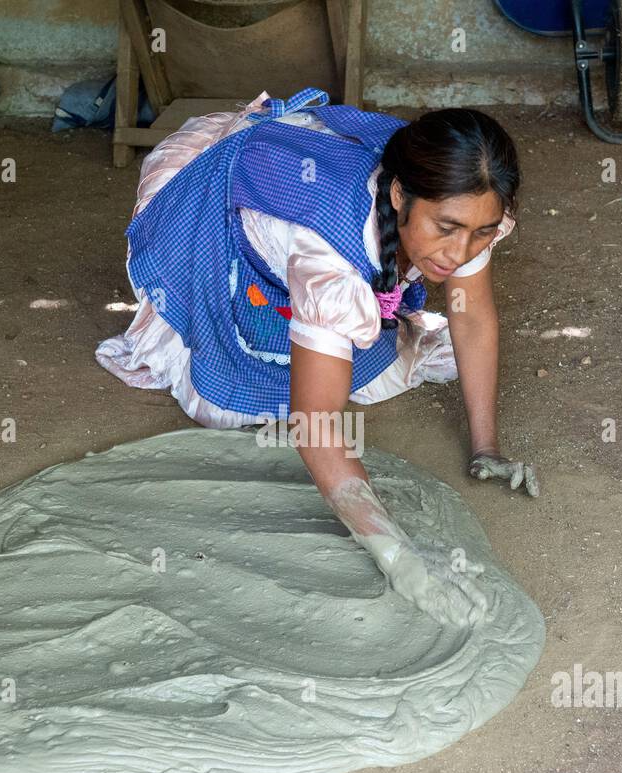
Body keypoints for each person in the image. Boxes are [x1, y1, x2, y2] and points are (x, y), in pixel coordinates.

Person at [98, 88, 539, 628]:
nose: (461, 252)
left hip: (310, 185)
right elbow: (315, 424)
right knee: (247, 391)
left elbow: (470, 315)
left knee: (354, 356)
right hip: (209, 194)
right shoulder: (327, 248)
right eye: (446, 229)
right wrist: (400, 560)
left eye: (482, 233)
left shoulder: (464, 201)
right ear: (399, 195)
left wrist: (486, 447)